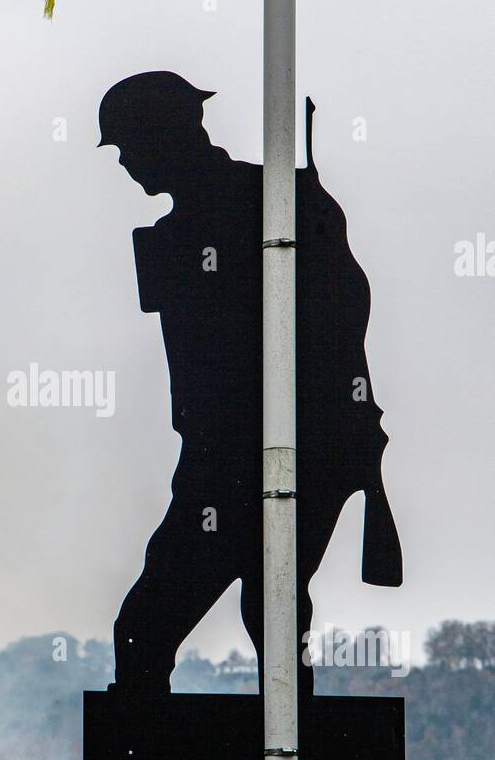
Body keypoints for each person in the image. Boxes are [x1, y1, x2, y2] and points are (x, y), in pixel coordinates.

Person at [99, 71, 402, 699]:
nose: (126, 162)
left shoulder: (281, 203)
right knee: (261, 614)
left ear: (164, 137)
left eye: (130, 145)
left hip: (276, 450)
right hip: (225, 453)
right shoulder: (206, 224)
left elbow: (344, 312)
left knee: (225, 617)